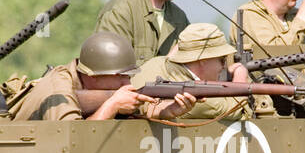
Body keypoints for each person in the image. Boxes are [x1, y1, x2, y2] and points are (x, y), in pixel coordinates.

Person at [11, 31, 195, 122]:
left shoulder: (88, 85)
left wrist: (164, 112)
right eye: (121, 76)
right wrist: (112, 105)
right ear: (93, 77)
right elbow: (71, 143)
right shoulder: (58, 92)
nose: (127, 83)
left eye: (129, 75)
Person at [131, 23, 251, 121]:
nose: (224, 66)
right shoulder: (197, 98)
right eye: (222, 60)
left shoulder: (156, 62)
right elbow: (239, 110)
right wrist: (241, 75)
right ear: (203, 60)